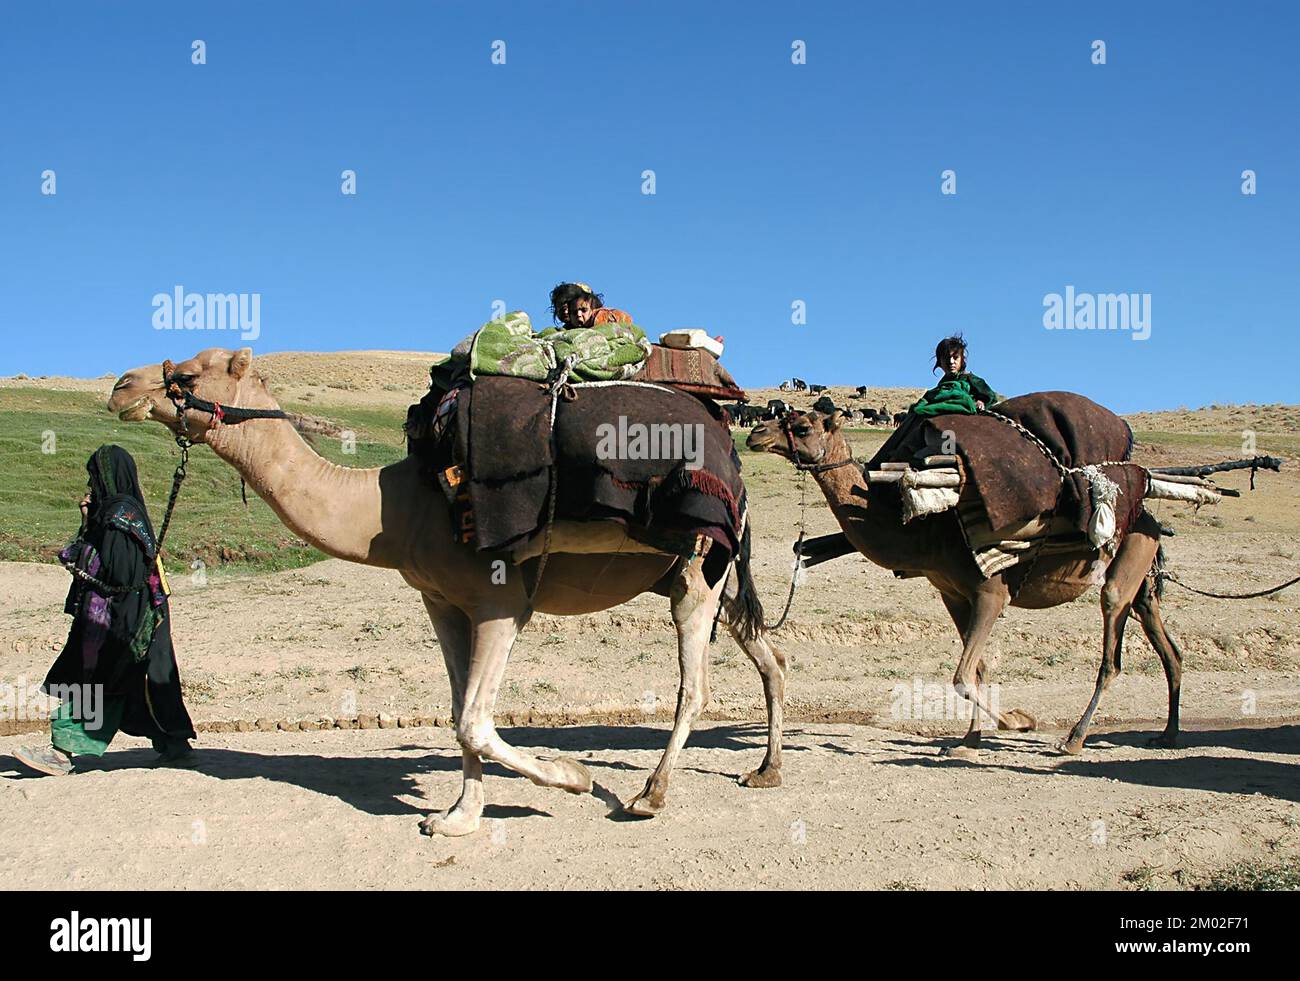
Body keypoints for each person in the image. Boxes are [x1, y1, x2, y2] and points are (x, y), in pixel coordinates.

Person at [13, 445, 196, 776]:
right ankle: (175, 744)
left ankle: (62, 751)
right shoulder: (117, 513)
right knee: (147, 683)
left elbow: (118, 573)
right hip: (139, 614)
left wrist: (90, 534)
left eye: (94, 477)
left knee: (104, 678)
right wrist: (89, 521)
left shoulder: (120, 515)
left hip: (127, 620)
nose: (90, 484)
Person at [910, 334, 1000, 417]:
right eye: (946, 358)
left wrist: (981, 402)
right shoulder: (940, 386)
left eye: (955, 357)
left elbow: (989, 395)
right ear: (939, 362)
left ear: (962, 360)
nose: (951, 362)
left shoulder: (970, 378)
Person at [548, 281, 633, 329]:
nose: (566, 312)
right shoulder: (568, 328)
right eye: (562, 309)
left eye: (583, 310)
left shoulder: (602, 316)